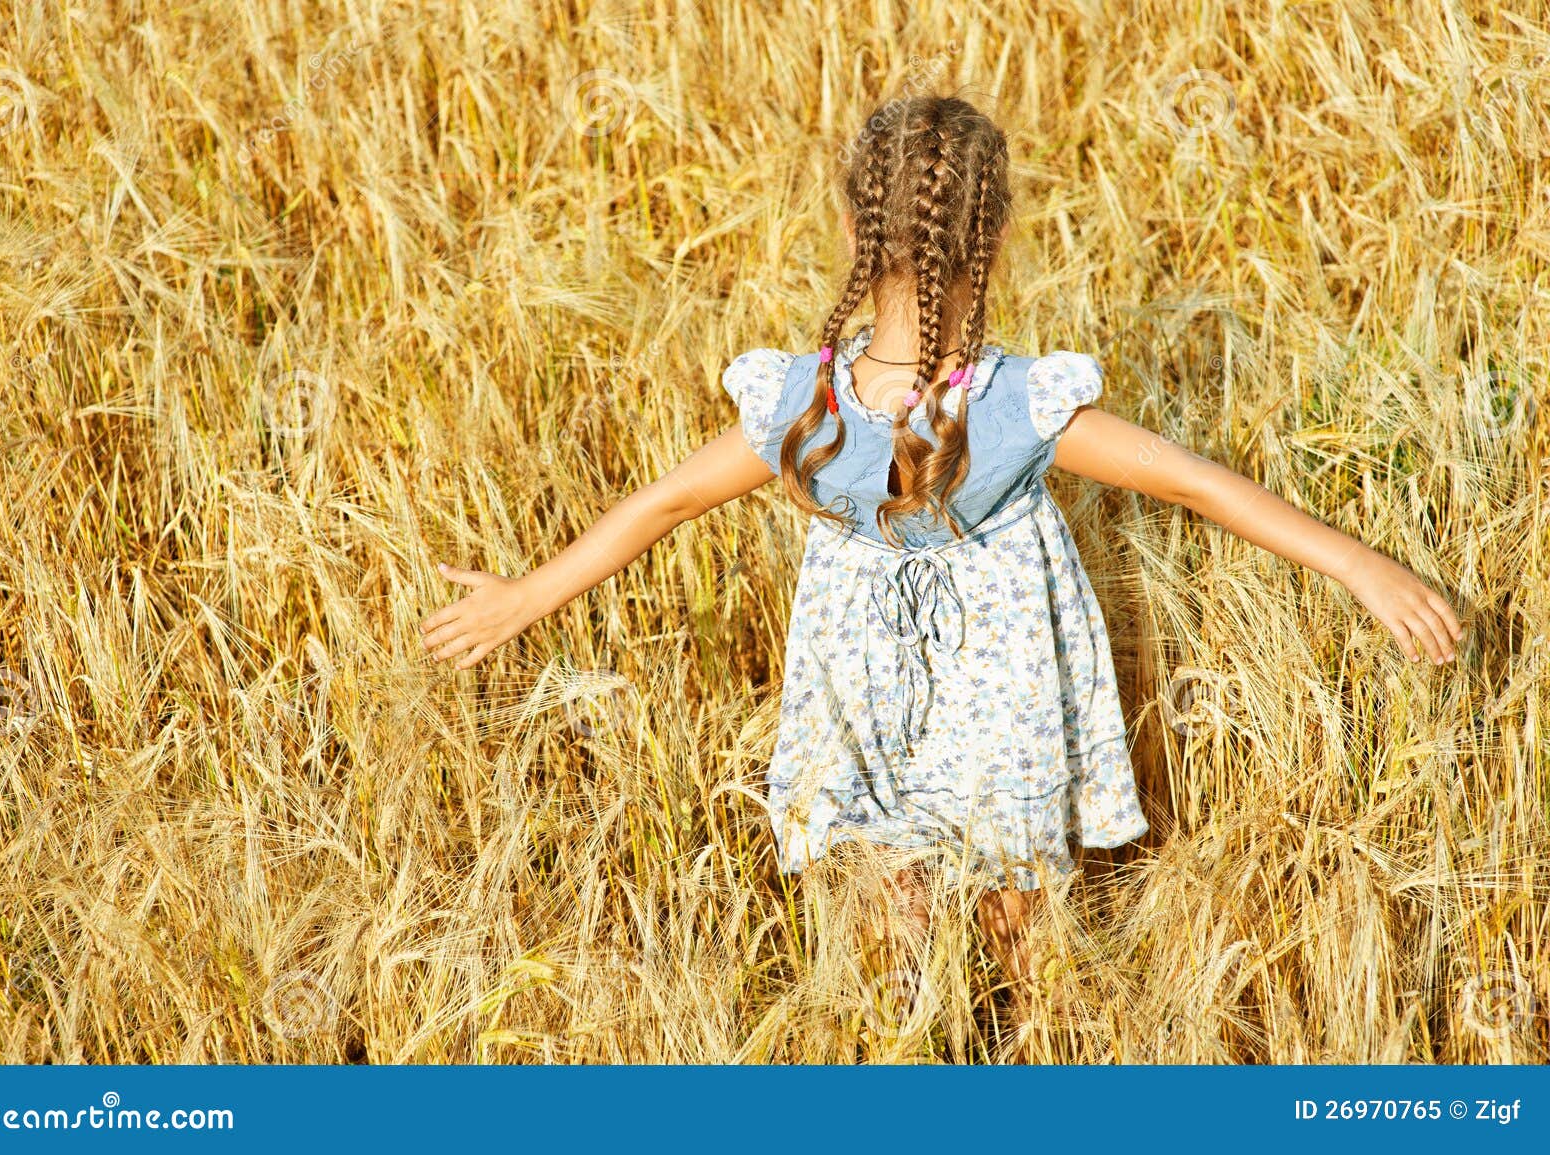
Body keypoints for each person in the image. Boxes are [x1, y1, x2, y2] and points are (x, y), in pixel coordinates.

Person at [419, 95, 1462, 999]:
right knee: (1025, 925)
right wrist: (1359, 563)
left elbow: (662, 508)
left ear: (849, 227)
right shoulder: (1015, 404)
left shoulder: (802, 406)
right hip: (1000, 693)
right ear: (998, 234)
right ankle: (1043, 1071)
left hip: (854, 689)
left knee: (887, 929)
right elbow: (1199, 484)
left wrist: (521, 599)